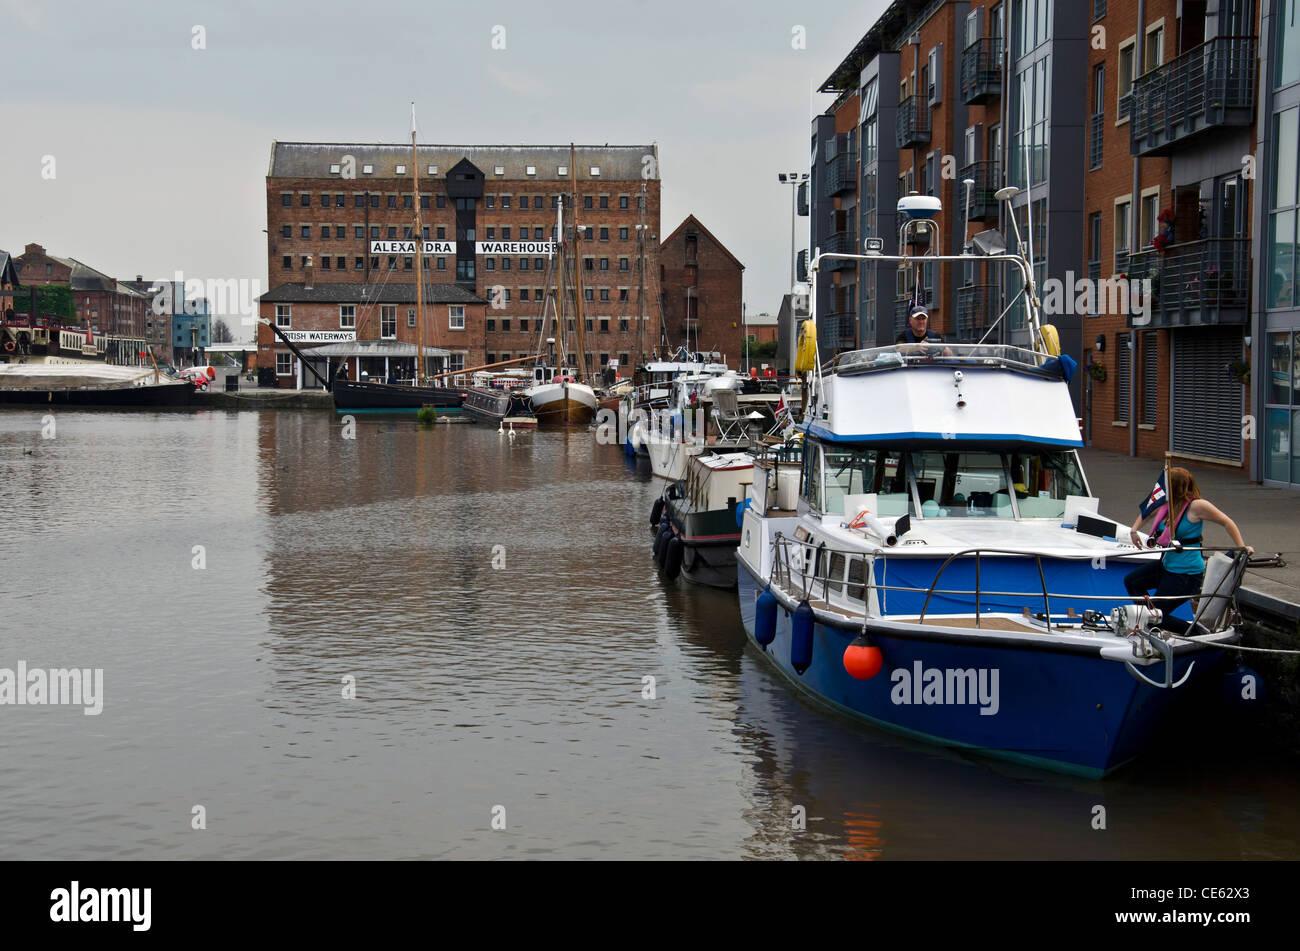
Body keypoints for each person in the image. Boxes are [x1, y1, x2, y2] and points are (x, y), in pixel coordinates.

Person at [1125, 467, 1253, 634]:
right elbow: (1147, 513)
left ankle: (1196, 634)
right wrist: (1134, 530)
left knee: (1158, 615)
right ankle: (1149, 621)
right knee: (1132, 581)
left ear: (1177, 487)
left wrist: (1242, 546)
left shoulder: (1197, 506)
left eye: (1167, 486)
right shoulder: (1166, 505)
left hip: (1186, 574)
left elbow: (1227, 522)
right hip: (1167, 566)